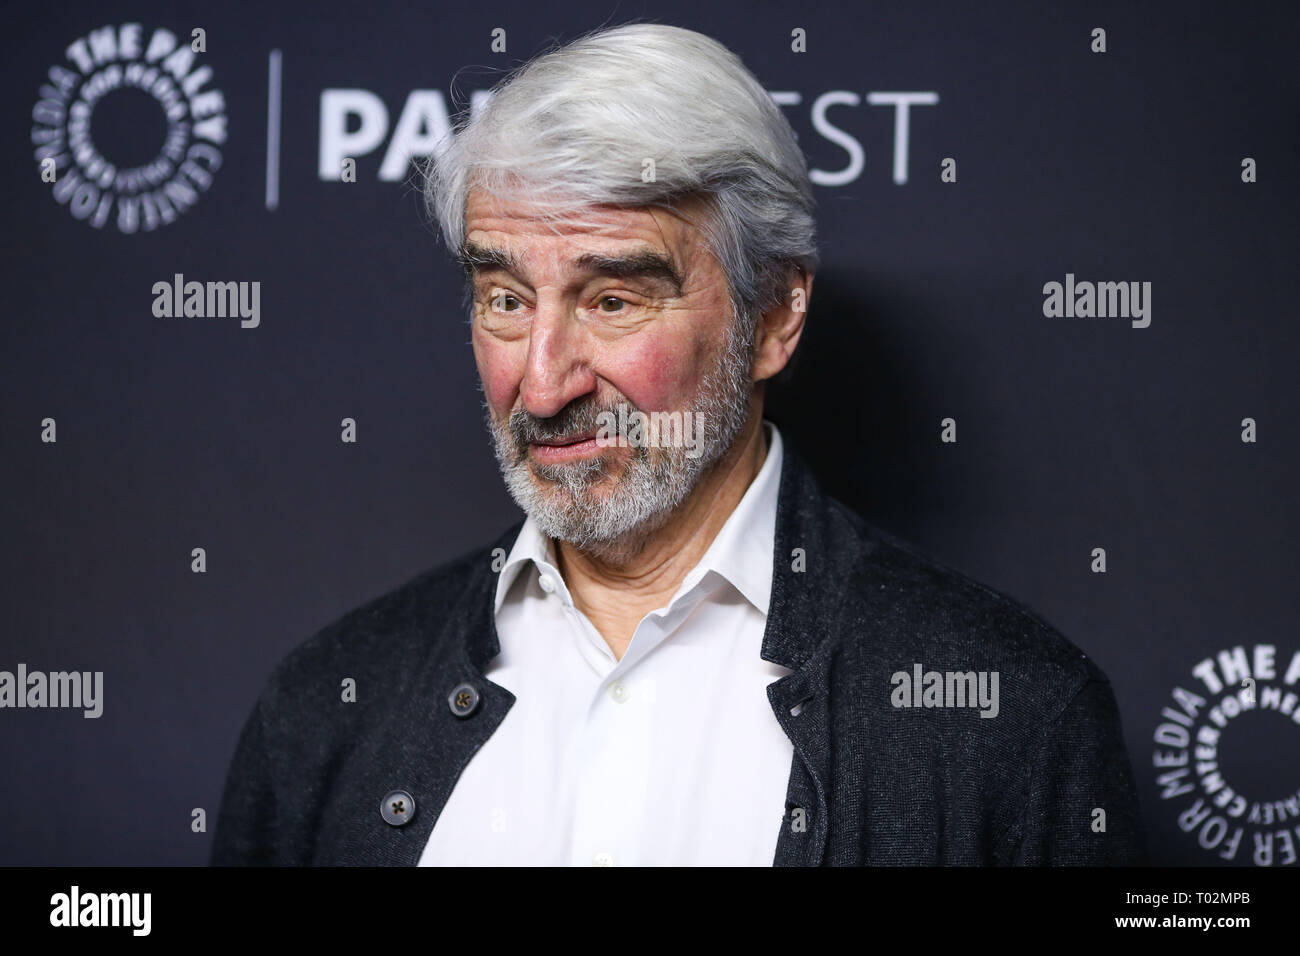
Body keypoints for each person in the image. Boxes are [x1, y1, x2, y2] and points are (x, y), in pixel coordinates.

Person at [211, 21, 1145, 866]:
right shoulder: (328, 704)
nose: (542, 385)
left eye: (613, 301)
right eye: (505, 299)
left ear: (775, 316)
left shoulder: (1011, 715)